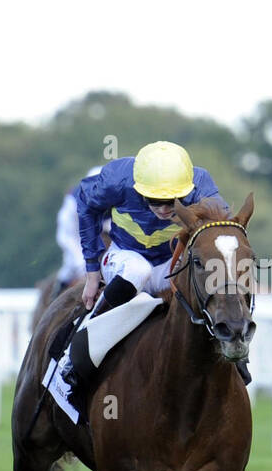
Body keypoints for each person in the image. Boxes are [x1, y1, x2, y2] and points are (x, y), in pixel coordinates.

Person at [60, 140, 247, 388]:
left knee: (201, 278)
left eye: (172, 201)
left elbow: (224, 230)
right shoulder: (117, 178)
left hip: (170, 261)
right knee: (139, 271)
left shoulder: (200, 183)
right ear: (139, 187)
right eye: (154, 200)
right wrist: (92, 271)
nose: (163, 209)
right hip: (125, 255)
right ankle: (82, 343)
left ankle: (234, 348)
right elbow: (84, 203)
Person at [54, 165, 103, 297]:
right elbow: (67, 237)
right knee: (71, 266)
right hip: (73, 235)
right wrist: (83, 265)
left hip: (96, 235)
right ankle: (55, 298)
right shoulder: (73, 204)